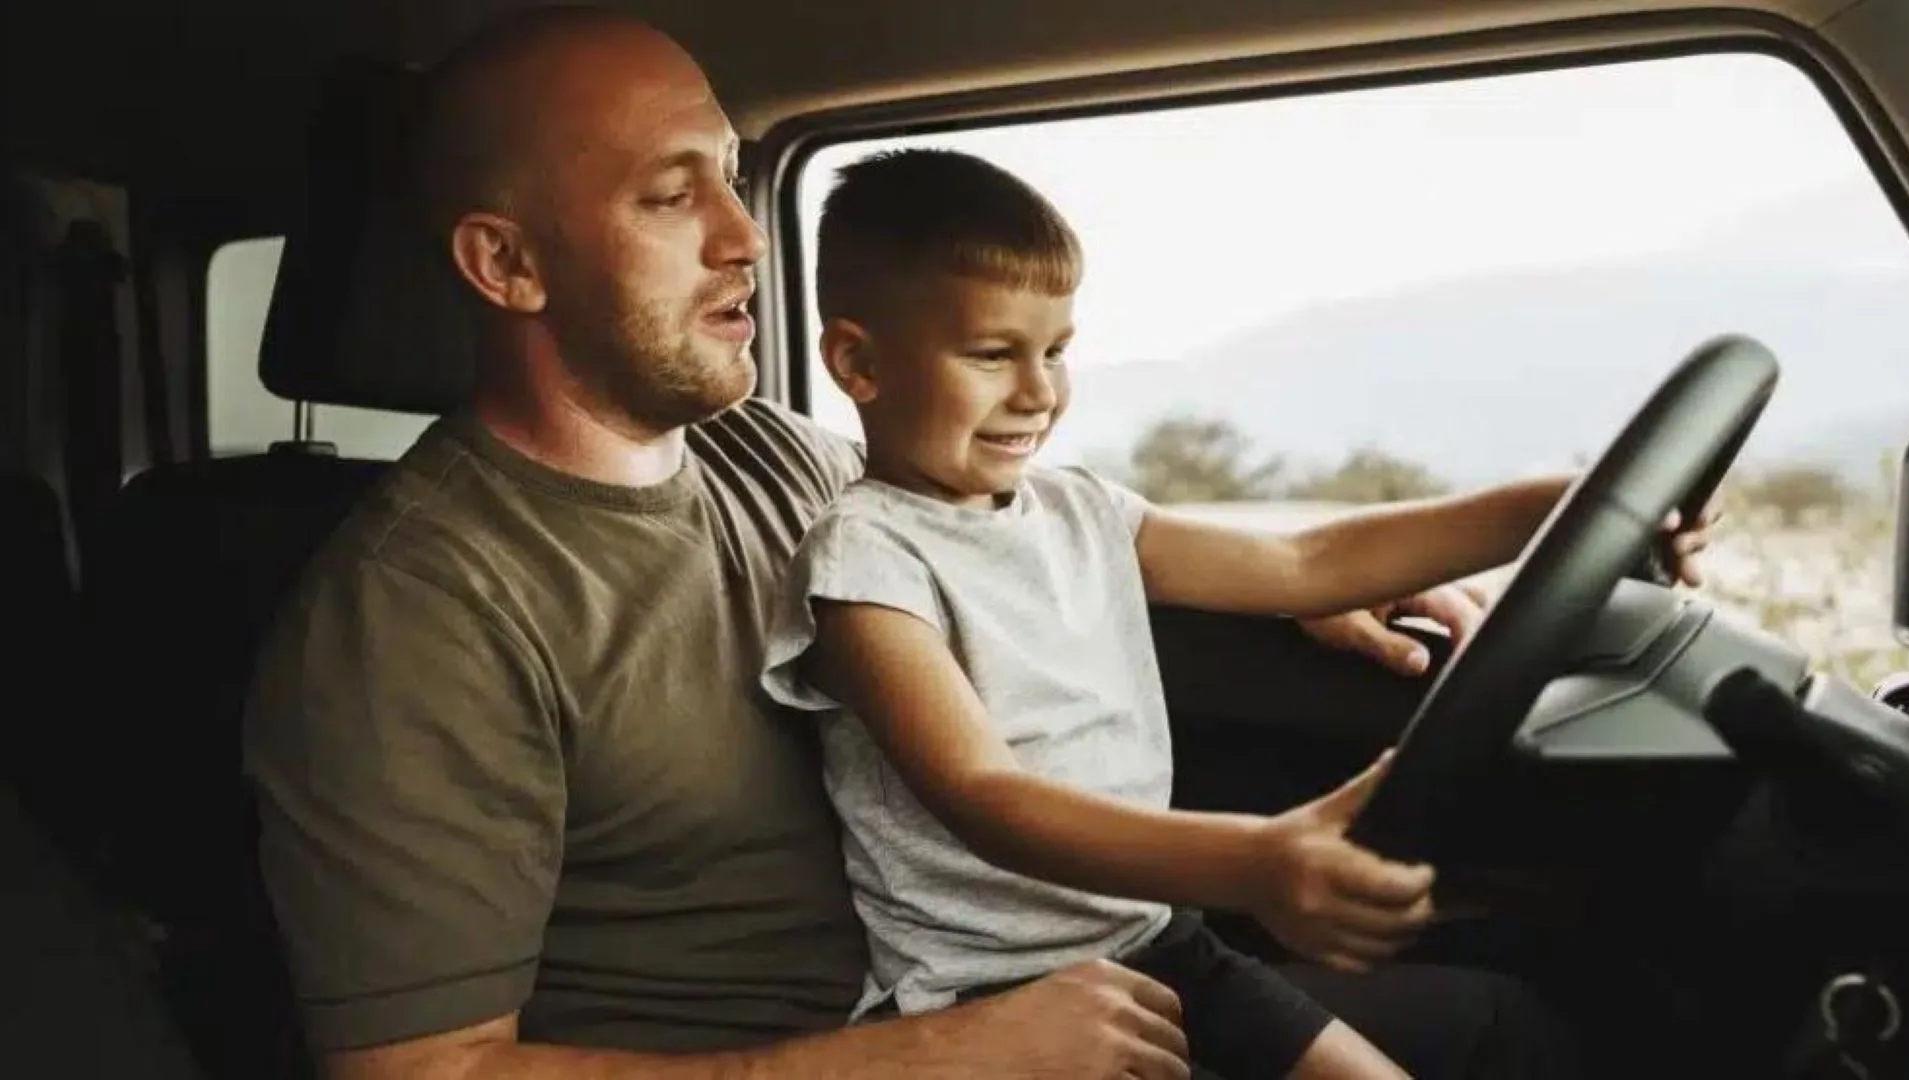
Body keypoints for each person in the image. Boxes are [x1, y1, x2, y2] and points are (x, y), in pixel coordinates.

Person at [241, 6, 1681, 1078]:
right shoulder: (417, 611)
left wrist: (1282, 602)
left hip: (1029, 986)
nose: (745, 238)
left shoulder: (775, 455)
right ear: (507, 264)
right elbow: (425, 1074)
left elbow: (998, 545)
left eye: (737, 178)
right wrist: (931, 1060)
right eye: (672, 196)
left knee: (1512, 1019)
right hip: (877, 1051)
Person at [756, 148, 1717, 1079]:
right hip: (997, 998)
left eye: (1056, 350)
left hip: (1161, 936)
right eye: (992, 354)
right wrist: (1252, 860)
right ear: (858, 362)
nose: (1039, 391)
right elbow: (987, 798)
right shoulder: (866, 560)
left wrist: (1557, 505)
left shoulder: (1080, 509)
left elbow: (1309, 560)